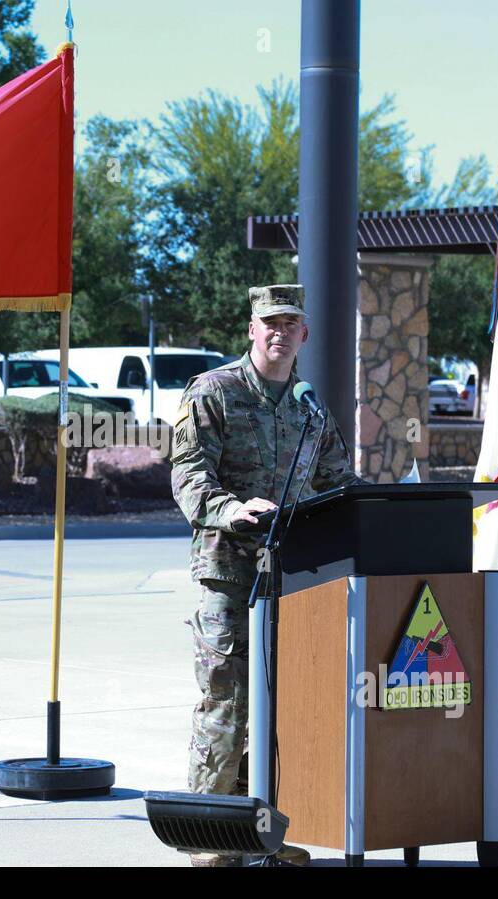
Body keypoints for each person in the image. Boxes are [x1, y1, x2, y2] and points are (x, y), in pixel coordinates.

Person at [169, 284, 363, 866]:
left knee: (286, 709)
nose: (279, 333)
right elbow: (187, 473)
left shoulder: (309, 408)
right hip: (229, 574)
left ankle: (266, 835)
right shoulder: (215, 393)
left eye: (290, 324)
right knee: (227, 705)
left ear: (305, 334)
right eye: (268, 323)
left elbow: (336, 482)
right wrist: (231, 509)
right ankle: (211, 843)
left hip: (293, 579)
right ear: (251, 330)